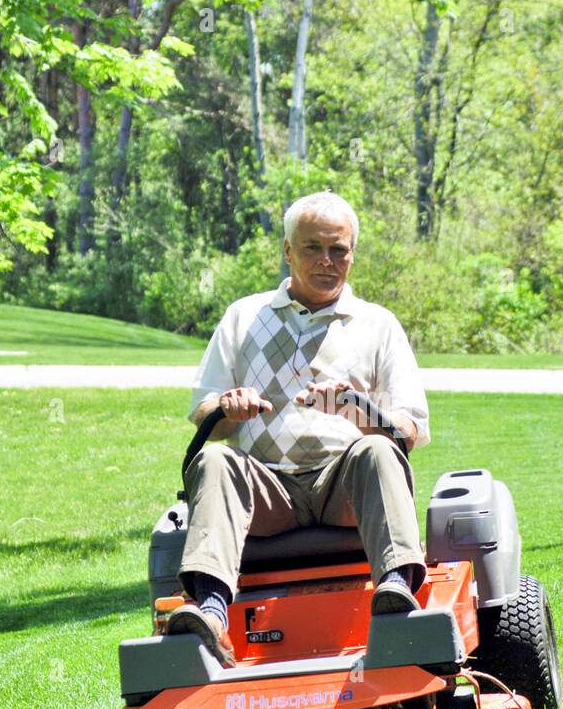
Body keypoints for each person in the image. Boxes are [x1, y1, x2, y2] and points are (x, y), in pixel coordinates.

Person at [167, 191, 430, 668]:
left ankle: (395, 591)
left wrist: (358, 408)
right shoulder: (243, 318)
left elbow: (409, 429)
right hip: (268, 490)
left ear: (352, 253)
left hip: (344, 484)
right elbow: (203, 409)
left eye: (339, 250)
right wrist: (229, 406)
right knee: (214, 458)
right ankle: (209, 610)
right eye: (312, 248)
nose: (327, 261)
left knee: (377, 447)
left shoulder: (378, 325)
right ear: (287, 251)